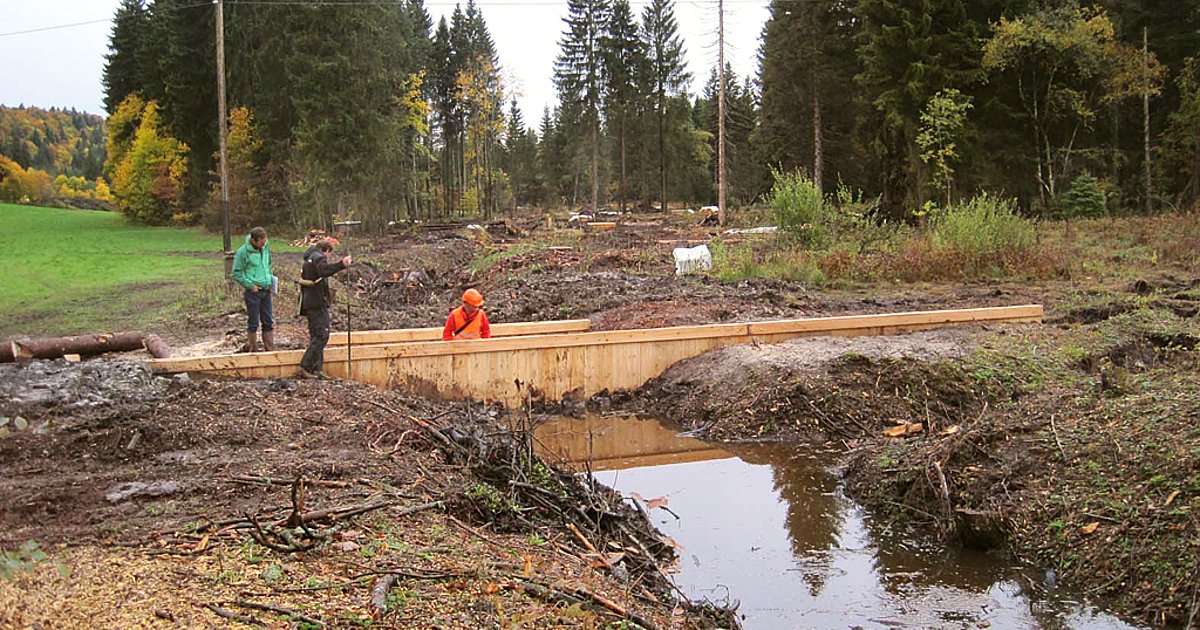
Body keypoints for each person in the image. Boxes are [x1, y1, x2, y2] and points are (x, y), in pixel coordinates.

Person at [297, 239, 352, 378]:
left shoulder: (309, 258)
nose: (327, 259)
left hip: (310, 303)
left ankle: (317, 369)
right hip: (317, 303)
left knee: (316, 335)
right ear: (326, 250)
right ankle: (305, 366)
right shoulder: (318, 257)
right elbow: (324, 271)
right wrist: (342, 264)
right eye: (328, 255)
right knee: (322, 335)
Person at [231, 227, 275, 352]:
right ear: (254, 241)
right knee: (253, 322)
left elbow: (268, 264)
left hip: (266, 290)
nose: (264, 244)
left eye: (265, 241)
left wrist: (270, 281)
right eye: (261, 242)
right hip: (253, 292)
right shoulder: (243, 252)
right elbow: (236, 273)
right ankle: (253, 349)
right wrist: (250, 285)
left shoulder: (265, 248)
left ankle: (270, 349)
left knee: (268, 321)